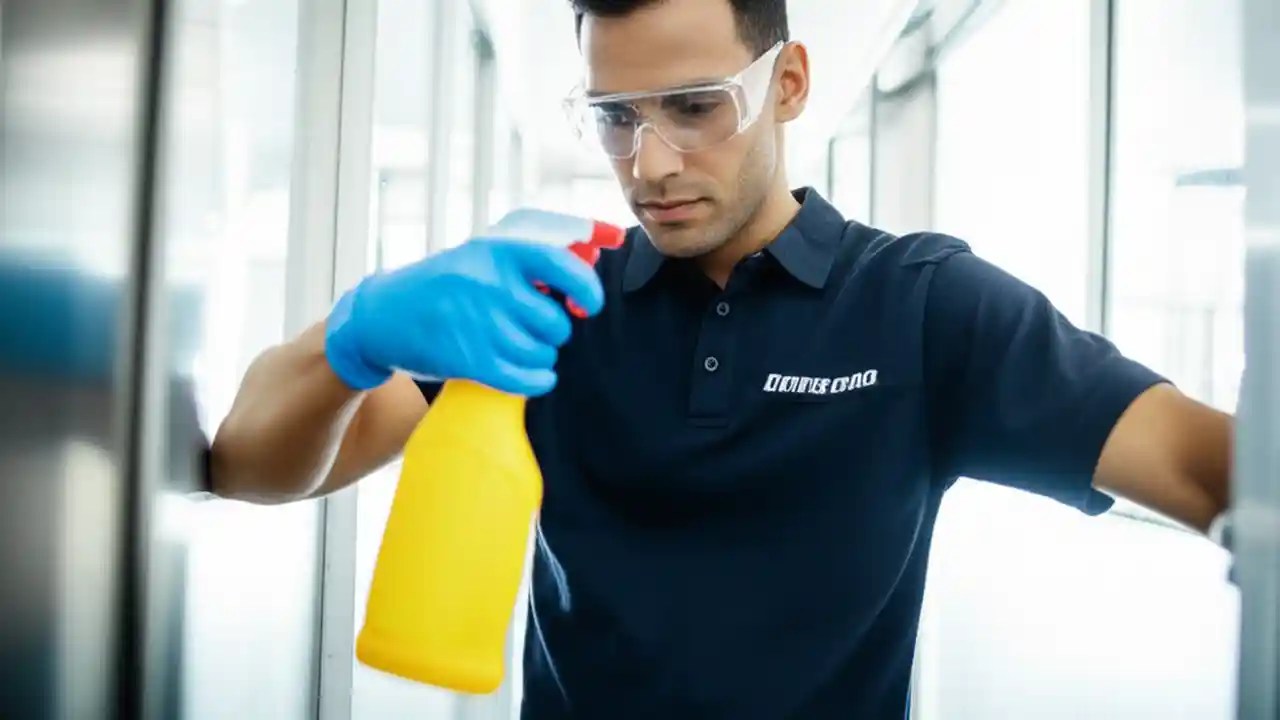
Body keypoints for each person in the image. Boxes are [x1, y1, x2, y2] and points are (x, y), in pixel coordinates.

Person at [210, 0, 1234, 716]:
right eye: (616, 118)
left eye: (695, 106)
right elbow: (249, 468)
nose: (649, 165)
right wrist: (352, 334)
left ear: (785, 83)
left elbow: (1203, 468)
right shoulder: (551, 301)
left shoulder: (925, 309)